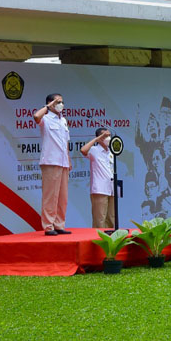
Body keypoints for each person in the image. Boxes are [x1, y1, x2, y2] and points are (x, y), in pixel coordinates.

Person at [34, 93, 72, 236]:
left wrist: (68, 159)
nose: (61, 104)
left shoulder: (63, 120)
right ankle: (48, 226)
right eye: (58, 102)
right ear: (50, 103)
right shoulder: (46, 118)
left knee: (63, 196)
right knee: (50, 196)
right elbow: (36, 116)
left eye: (62, 101)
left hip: (63, 161)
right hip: (50, 161)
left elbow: (66, 141)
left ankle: (59, 224)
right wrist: (48, 106)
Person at [80, 128, 115, 229]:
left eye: (109, 135)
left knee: (111, 218)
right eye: (105, 136)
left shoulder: (111, 152)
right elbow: (83, 150)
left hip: (111, 189)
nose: (108, 138)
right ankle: (98, 237)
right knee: (99, 219)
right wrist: (96, 139)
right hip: (100, 189)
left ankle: (111, 237)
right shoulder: (94, 150)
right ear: (99, 137)